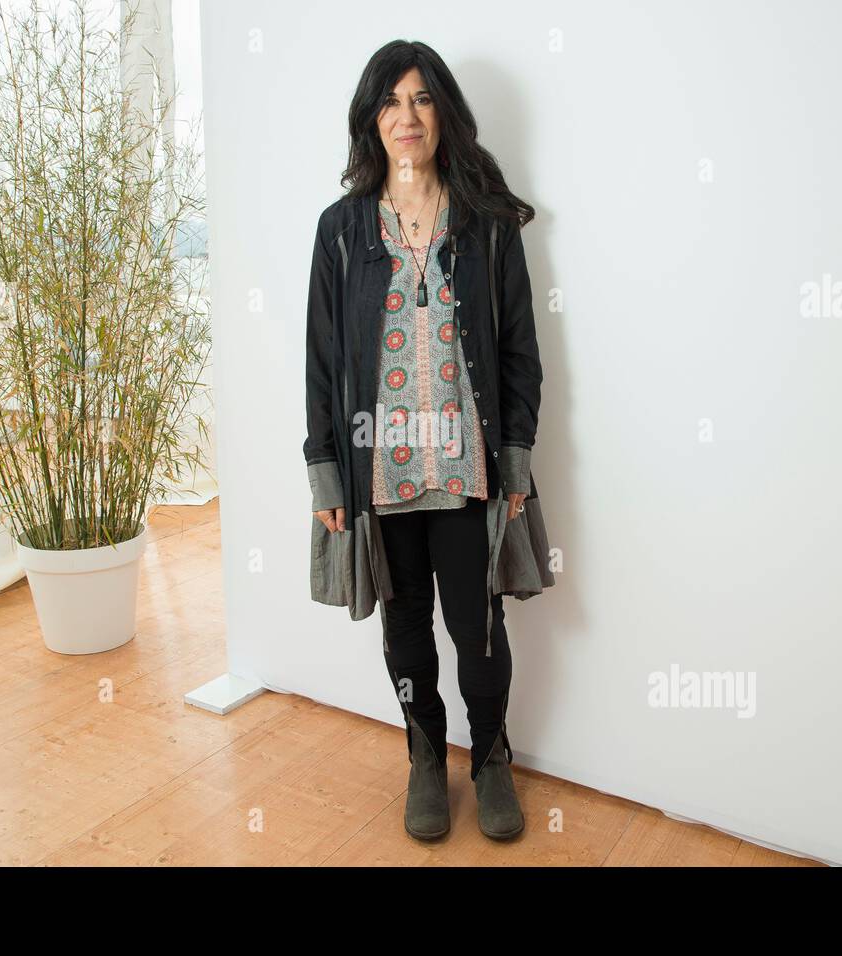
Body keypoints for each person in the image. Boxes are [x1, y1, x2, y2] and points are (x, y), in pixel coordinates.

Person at [304, 39, 554, 842]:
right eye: (390, 101)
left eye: (420, 99)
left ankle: (489, 759)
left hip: (465, 461)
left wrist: (515, 455)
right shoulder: (342, 230)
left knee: (477, 627)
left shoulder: (485, 226)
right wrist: (325, 476)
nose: (405, 117)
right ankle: (423, 755)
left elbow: (520, 350)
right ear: (370, 119)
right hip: (379, 466)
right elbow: (319, 359)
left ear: (443, 113)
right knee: (404, 624)